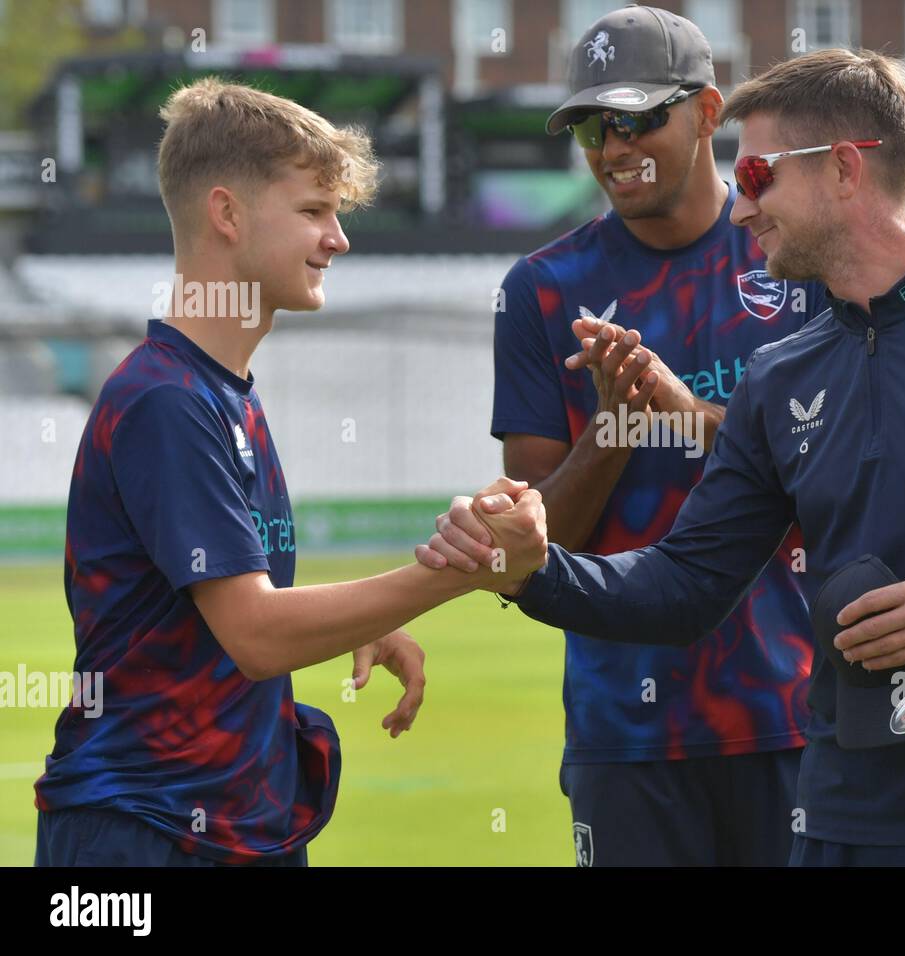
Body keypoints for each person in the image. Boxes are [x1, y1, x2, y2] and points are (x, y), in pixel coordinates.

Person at [421, 48, 905, 866]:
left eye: (758, 176)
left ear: (843, 169)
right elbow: (684, 585)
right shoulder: (779, 375)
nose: (738, 210)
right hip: (840, 826)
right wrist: (529, 567)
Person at [34, 79, 546, 866]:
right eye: (314, 211)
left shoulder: (218, 391)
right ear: (227, 214)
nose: (337, 239)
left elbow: (232, 614)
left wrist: (369, 615)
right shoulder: (167, 403)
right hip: (143, 834)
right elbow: (255, 635)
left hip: (233, 820)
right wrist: (468, 566)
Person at [429, 4, 826, 866]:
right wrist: (616, 425)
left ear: (709, 113)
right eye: (592, 127)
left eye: (640, 116)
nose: (613, 146)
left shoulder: (798, 259)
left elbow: (844, 476)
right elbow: (538, 548)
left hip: (798, 719)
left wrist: (687, 415)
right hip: (626, 735)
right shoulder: (541, 289)